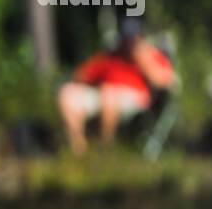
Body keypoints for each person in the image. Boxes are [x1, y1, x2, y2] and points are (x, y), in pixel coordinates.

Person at [57, 19, 177, 154]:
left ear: (140, 38)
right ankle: (78, 149)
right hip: (103, 94)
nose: (129, 43)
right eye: (126, 39)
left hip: (135, 99)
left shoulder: (150, 55)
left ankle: (105, 148)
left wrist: (144, 62)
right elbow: (81, 75)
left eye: (133, 39)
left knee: (109, 94)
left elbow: (167, 81)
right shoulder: (111, 56)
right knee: (68, 93)